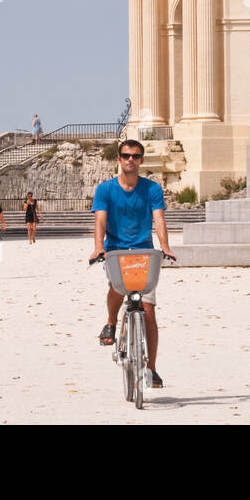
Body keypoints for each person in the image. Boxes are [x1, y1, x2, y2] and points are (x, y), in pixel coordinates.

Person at [89, 139, 176, 389]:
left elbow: (158, 219)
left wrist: (165, 247)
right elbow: (100, 221)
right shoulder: (105, 190)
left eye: (136, 156)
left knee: (149, 311)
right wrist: (98, 248)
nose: (130, 160)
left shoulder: (152, 189)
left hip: (144, 252)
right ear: (119, 158)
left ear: (141, 160)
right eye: (126, 155)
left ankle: (152, 368)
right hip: (116, 250)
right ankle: (111, 322)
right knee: (116, 287)